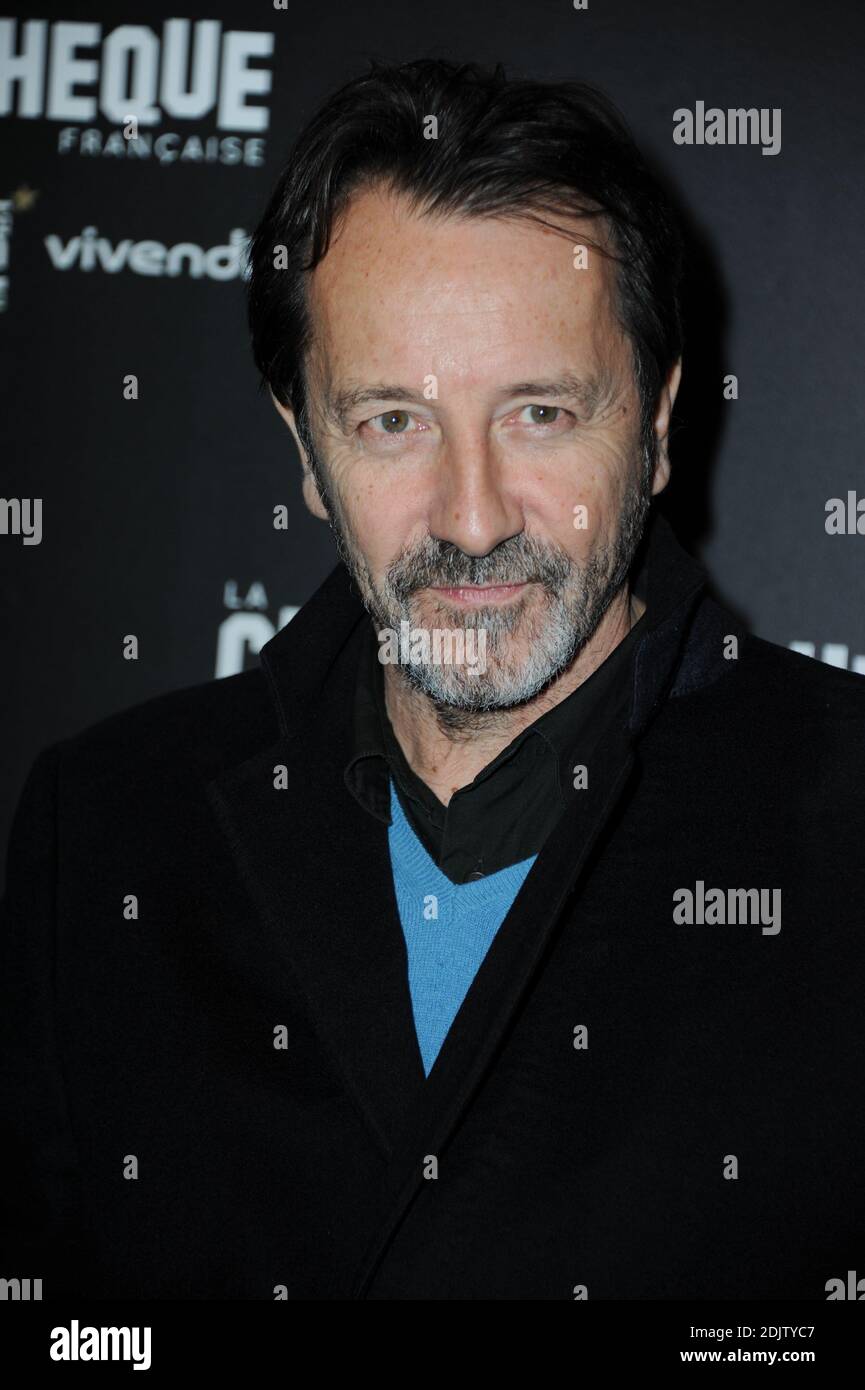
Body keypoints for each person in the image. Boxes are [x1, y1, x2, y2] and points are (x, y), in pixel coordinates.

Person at [2, 59, 863, 1301]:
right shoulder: (105, 832)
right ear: (304, 446)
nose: (470, 519)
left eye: (541, 414)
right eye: (392, 421)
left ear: (660, 423)